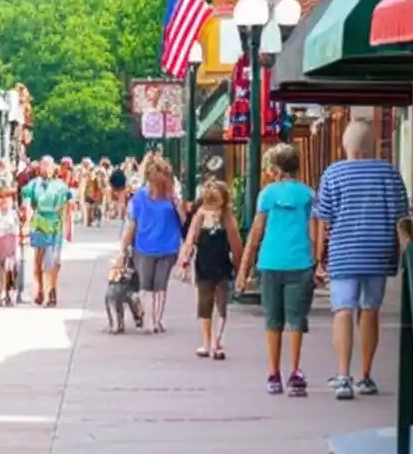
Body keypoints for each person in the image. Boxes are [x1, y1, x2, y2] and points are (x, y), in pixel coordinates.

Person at [315, 120, 409, 399]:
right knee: (370, 311)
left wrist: (318, 257)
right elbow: (401, 217)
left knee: (342, 310)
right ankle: (365, 375)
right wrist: (410, 249)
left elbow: (324, 219)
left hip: (344, 252)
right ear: (373, 147)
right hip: (378, 251)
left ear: (346, 146)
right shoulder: (389, 173)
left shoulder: (333, 174)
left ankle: (343, 376)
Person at [236, 144, 316, 397]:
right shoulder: (308, 195)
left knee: (272, 320)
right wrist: (318, 261)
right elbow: (314, 233)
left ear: (276, 169)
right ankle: (295, 371)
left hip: (270, 261)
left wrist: (243, 269)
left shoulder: (267, 195)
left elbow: (256, 233)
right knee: (295, 321)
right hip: (300, 261)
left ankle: (273, 373)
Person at [177, 180, 242, 360]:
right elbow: (191, 238)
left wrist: (240, 266)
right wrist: (185, 260)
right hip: (208, 264)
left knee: (218, 303)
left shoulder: (225, 216)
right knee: (207, 303)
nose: (212, 207)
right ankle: (210, 342)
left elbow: (235, 241)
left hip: (218, 264)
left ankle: (214, 342)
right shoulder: (202, 215)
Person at [120, 153, 184, 334]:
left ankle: (157, 319)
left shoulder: (171, 197)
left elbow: (183, 220)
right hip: (144, 247)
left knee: (161, 285)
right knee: (146, 286)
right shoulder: (139, 197)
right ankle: (149, 320)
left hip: (168, 246)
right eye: (157, 183)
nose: (160, 188)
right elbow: (132, 223)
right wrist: (124, 248)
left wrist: (176, 203)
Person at [23, 156, 71, 307]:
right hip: (39, 223)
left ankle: (52, 291)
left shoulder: (60, 186)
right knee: (38, 260)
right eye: (44, 165)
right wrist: (27, 221)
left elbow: (67, 206)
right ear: (40, 168)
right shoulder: (34, 184)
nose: (47, 169)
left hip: (55, 224)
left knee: (54, 262)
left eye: (49, 165)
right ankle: (41, 290)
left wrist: (69, 227)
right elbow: (28, 203)